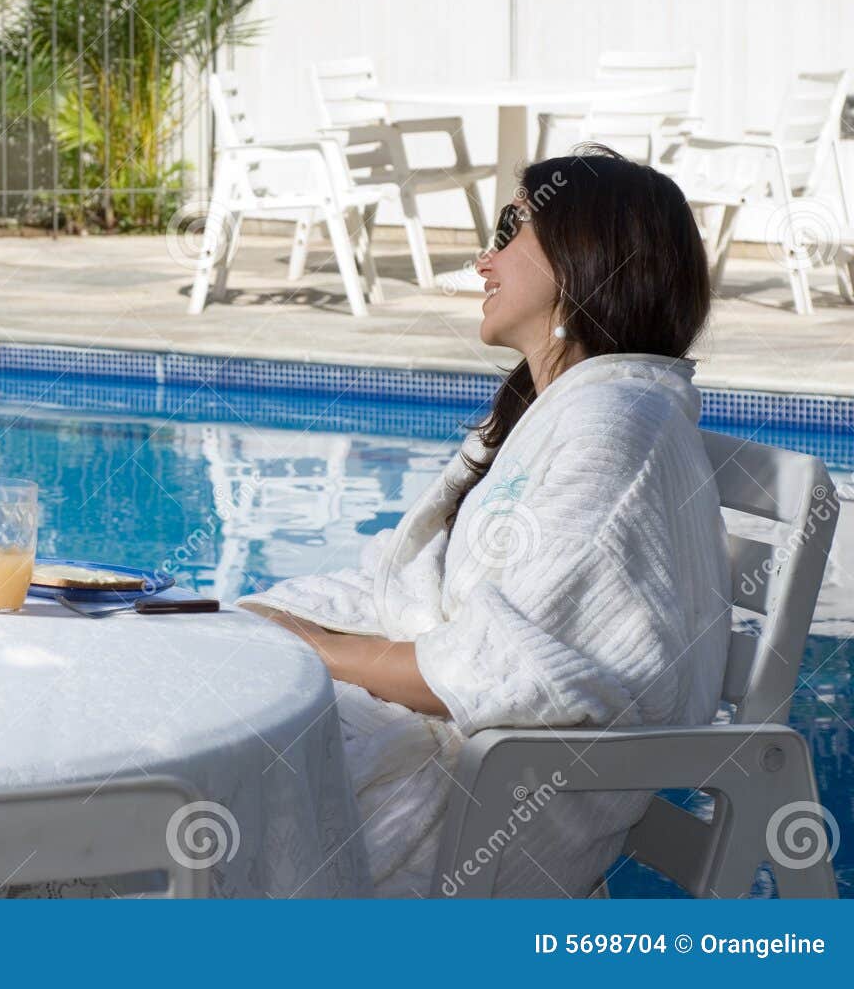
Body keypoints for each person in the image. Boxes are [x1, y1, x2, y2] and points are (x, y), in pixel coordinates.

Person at [238, 147, 731, 897]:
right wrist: (260, 623)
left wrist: (316, 649)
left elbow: (513, 663)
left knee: (186, 773)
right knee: (200, 690)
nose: (482, 259)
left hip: (465, 809)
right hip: (462, 765)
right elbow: (426, 586)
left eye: (509, 228)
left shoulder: (613, 431)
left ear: (582, 255)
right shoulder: (571, 411)